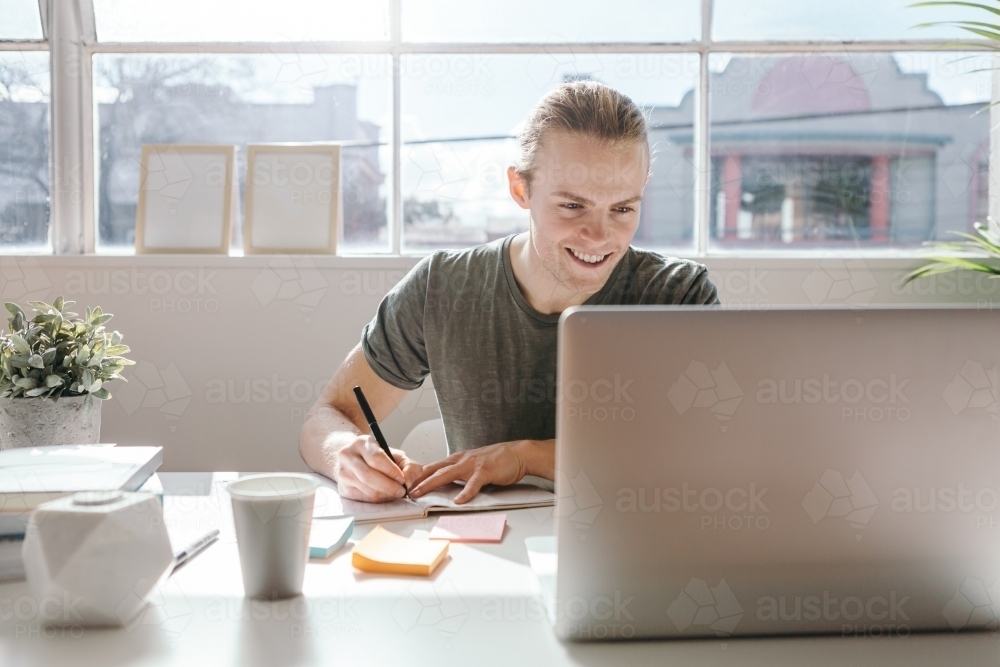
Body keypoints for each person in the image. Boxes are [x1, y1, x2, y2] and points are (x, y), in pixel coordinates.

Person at [300, 80, 719, 504]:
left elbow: (709, 447)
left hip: (637, 533)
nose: (598, 236)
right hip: (489, 540)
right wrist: (345, 454)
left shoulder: (679, 295)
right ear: (521, 188)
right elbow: (327, 416)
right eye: (573, 206)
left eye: (623, 208)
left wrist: (525, 458)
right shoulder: (443, 287)